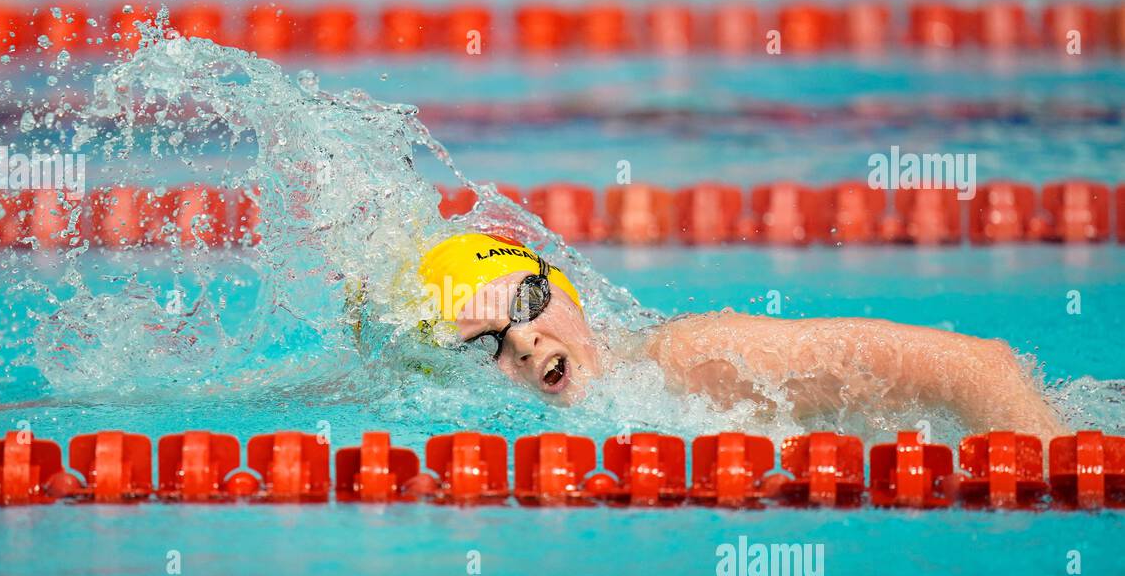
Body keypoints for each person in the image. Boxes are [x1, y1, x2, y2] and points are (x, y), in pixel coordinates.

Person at [418, 232, 1068, 438]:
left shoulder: (697, 358)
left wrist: (1060, 477)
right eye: (485, 344)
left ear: (569, 296)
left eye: (529, 303)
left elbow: (980, 367)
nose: (524, 341)